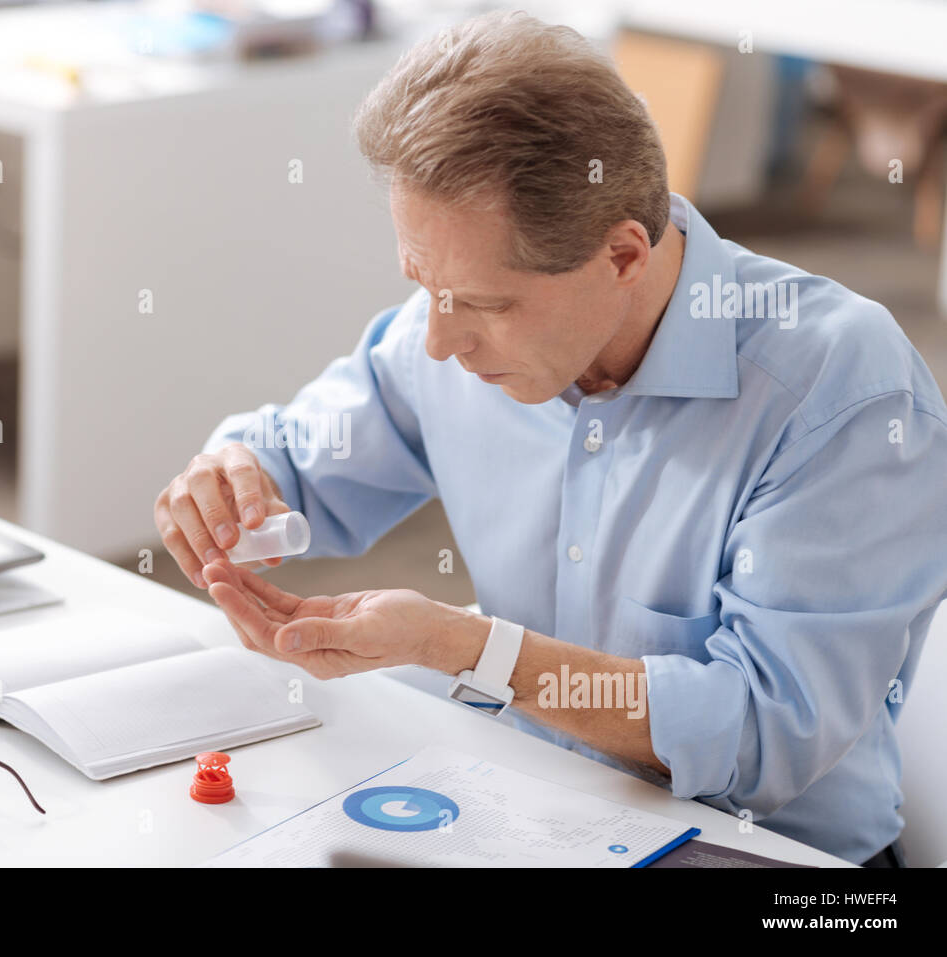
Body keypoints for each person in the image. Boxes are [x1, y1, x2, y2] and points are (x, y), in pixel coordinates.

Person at [153, 10, 947, 867]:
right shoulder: (457, 331)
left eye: (486, 304)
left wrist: (471, 650)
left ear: (623, 256)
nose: (439, 343)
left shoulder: (840, 392)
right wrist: (235, 475)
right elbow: (299, 461)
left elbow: (761, 738)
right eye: (424, 286)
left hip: (771, 861)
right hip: (527, 806)